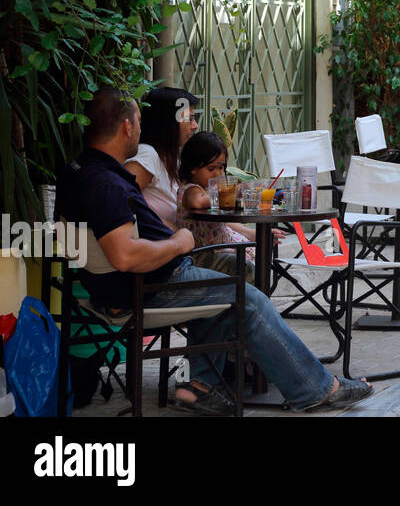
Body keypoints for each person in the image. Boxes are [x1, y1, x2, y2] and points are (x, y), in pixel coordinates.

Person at [55, 88, 374, 414]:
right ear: (126, 127)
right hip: (144, 288)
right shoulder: (107, 183)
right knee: (248, 299)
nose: (140, 130)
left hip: (122, 285)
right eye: (137, 123)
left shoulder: (77, 170)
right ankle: (317, 389)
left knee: (225, 285)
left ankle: (199, 387)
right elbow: (126, 256)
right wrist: (179, 242)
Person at [175, 132, 268, 281]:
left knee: (263, 254)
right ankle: (247, 300)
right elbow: (196, 202)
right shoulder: (191, 189)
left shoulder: (207, 189)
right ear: (193, 168)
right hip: (204, 253)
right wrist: (229, 192)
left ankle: (254, 298)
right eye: (211, 169)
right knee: (248, 267)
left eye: (221, 168)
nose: (218, 173)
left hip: (222, 246)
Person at [124, 86, 200, 230]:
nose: (195, 126)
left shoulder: (172, 160)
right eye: (189, 119)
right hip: (166, 247)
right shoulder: (147, 155)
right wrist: (174, 232)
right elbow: (123, 201)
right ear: (169, 122)